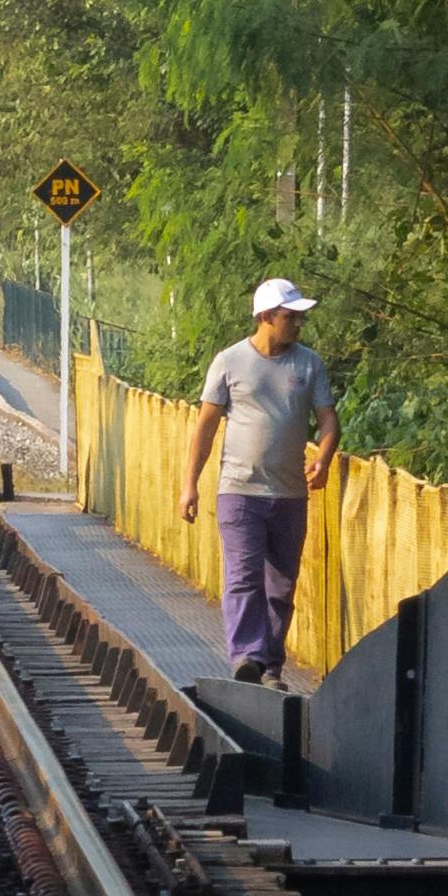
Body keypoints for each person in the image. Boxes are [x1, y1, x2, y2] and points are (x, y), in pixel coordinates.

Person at [182, 278, 341, 687]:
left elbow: (328, 420)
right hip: (239, 490)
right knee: (243, 576)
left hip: (290, 494)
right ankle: (246, 657)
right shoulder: (230, 361)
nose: (299, 323)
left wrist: (323, 458)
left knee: (281, 586)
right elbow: (205, 427)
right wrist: (190, 485)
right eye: (291, 317)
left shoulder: (309, 364)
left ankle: (270, 667)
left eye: (300, 317)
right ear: (267, 317)